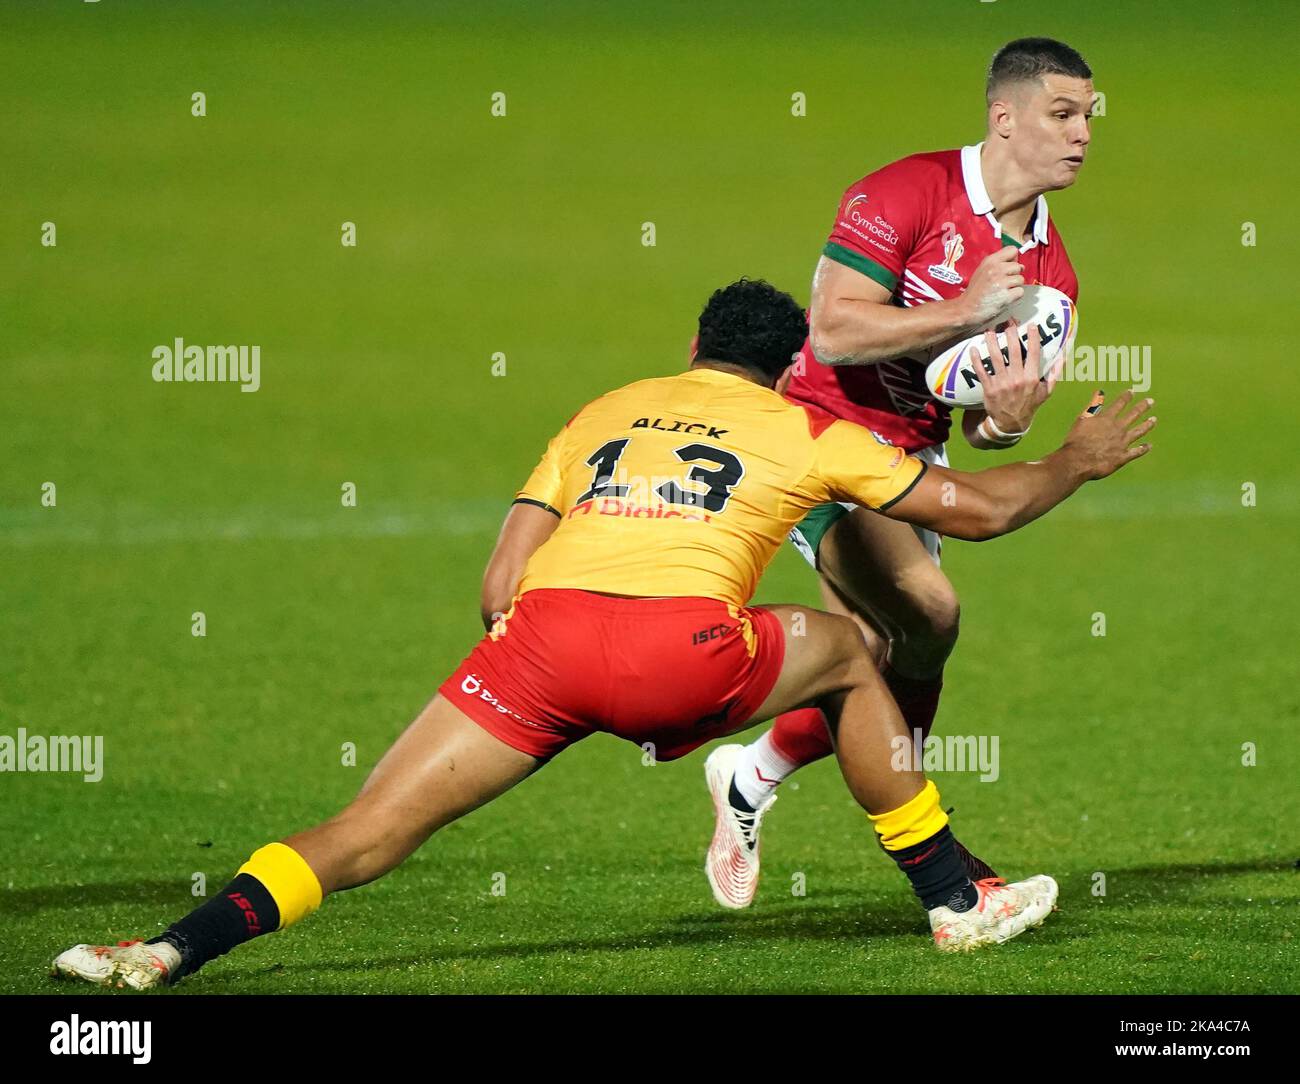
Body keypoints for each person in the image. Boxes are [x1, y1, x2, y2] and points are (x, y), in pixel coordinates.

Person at [51, 278, 1153, 989]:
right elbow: (980, 511)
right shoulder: (802, 425)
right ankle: (954, 899)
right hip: (686, 654)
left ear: (691, 346)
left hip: (538, 650)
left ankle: (164, 949)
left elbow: (498, 582)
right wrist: (1071, 460)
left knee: (370, 829)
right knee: (855, 653)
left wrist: (549, 679)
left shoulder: (602, 410)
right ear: (782, 368)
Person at [710, 37, 1101, 907]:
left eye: (1089, 117)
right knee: (930, 612)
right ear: (1005, 117)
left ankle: (754, 774)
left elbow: (977, 413)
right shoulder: (904, 191)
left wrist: (1005, 423)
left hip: (910, 458)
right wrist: (966, 308)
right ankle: (947, 875)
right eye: (1062, 113)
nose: (1081, 134)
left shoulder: (1052, 276)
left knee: (873, 658)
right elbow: (836, 330)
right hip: (818, 436)